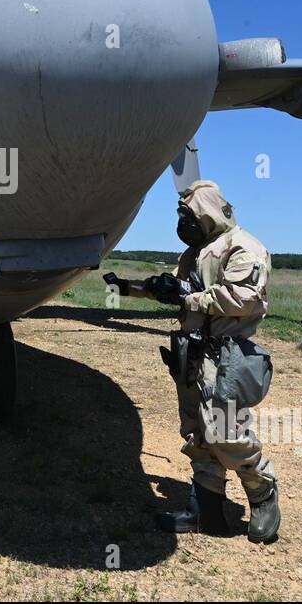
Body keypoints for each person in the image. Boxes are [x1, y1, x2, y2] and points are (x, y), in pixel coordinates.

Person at [105, 180, 280, 543]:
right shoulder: (197, 252)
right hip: (192, 354)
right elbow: (179, 291)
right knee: (197, 435)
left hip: (227, 354)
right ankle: (207, 509)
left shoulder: (244, 247)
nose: (182, 223)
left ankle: (263, 493)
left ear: (207, 213)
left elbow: (245, 298)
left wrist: (188, 298)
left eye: (187, 216)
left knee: (224, 431)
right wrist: (129, 287)